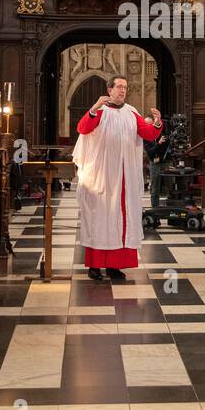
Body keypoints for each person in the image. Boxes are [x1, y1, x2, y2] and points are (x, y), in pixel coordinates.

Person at [73, 75, 163, 281]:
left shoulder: (131, 113)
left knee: (122, 220)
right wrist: (94, 109)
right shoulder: (100, 112)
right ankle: (95, 266)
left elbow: (148, 134)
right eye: (119, 87)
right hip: (102, 178)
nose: (122, 90)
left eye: (125, 87)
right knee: (100, 220)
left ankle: (114, 266)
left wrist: (157, 123)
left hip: (124, 179)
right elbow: (83, 128)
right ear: (110, 89)